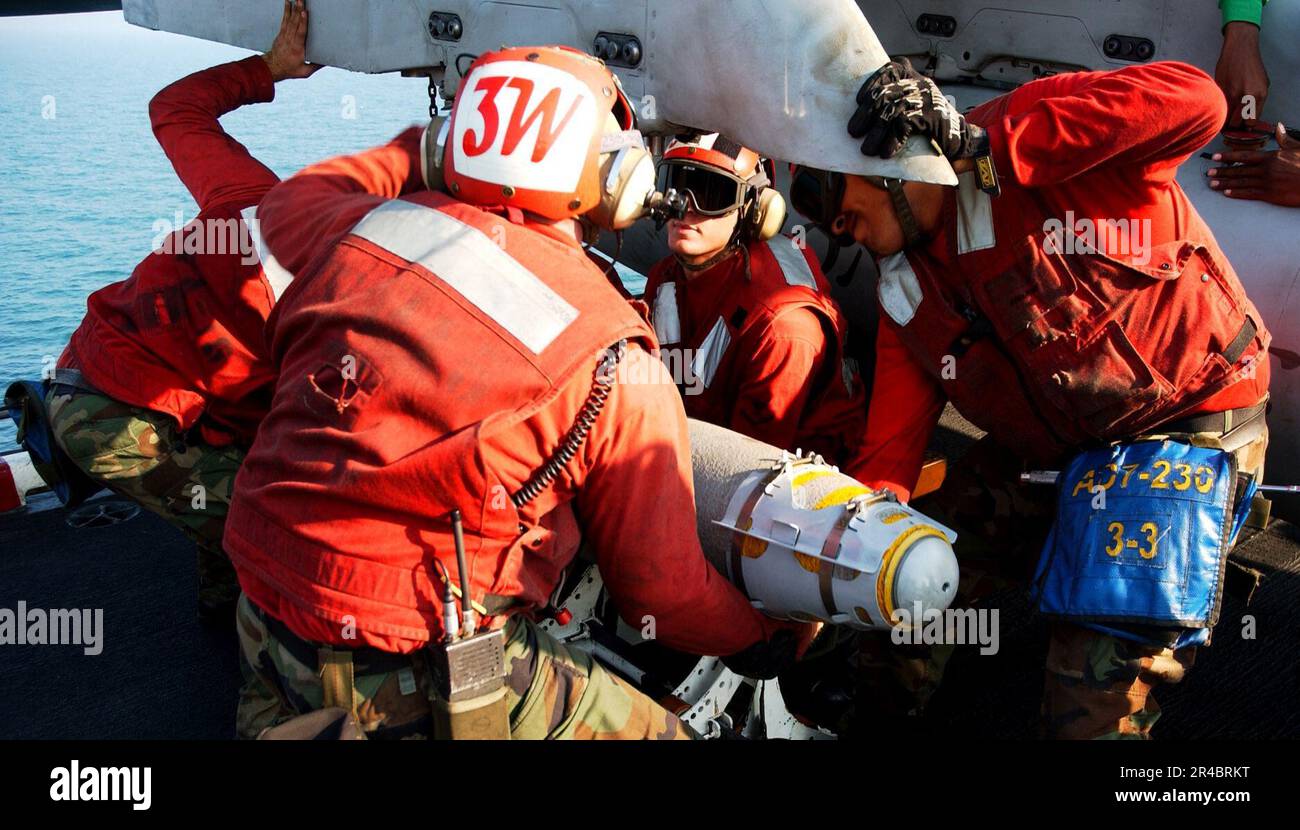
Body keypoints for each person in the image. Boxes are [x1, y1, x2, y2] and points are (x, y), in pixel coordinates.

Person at [224, 45, 801, 740]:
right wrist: (756, 635)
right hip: (413, 657)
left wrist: (428, 151)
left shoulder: (359, 232)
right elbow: (662, 594)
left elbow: (288, 203)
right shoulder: (615, 355)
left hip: (263, 609)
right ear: (617, 177)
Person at [791, 58, 1271, 739]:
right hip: (1058, 451)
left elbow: (1198, 101)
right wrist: (843, 563)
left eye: (829, 198)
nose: (834, 230)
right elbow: (886, 468)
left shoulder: (1013, 135)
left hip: (1180, 429)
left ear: (889, 165)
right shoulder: (904, 289)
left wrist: (984, 145)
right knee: (911, 586)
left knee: (1088, 697)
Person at [45, 0, 320, 619]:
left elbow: (174, 109)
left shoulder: (252, 194)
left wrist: (269, 68)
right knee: (275, 527)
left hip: (83, 370)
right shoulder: (320, 321)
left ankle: (225, 602)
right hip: (117, 425)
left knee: (232, 481)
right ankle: (264, 658)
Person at [642, 134, 870, 476]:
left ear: (752, 211)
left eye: (710, 193)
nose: (684, 207)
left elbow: (744, 467)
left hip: (786, 485)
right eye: (678, 186)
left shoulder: (784, 328)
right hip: (693, 438)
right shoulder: (668, 277)